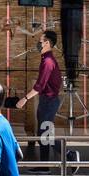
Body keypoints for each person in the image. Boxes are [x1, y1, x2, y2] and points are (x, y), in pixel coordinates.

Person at [15, 30, 62, 163]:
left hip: (49, 102)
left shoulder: (48, 62)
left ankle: (69, 154)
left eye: (40, 41)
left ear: (47, 43)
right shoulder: (46, 60)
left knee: (44, 134)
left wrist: (24, 99)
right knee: (43, 134)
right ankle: (44, 165)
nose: (38, 44)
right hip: (46, 101)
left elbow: (39, 86)